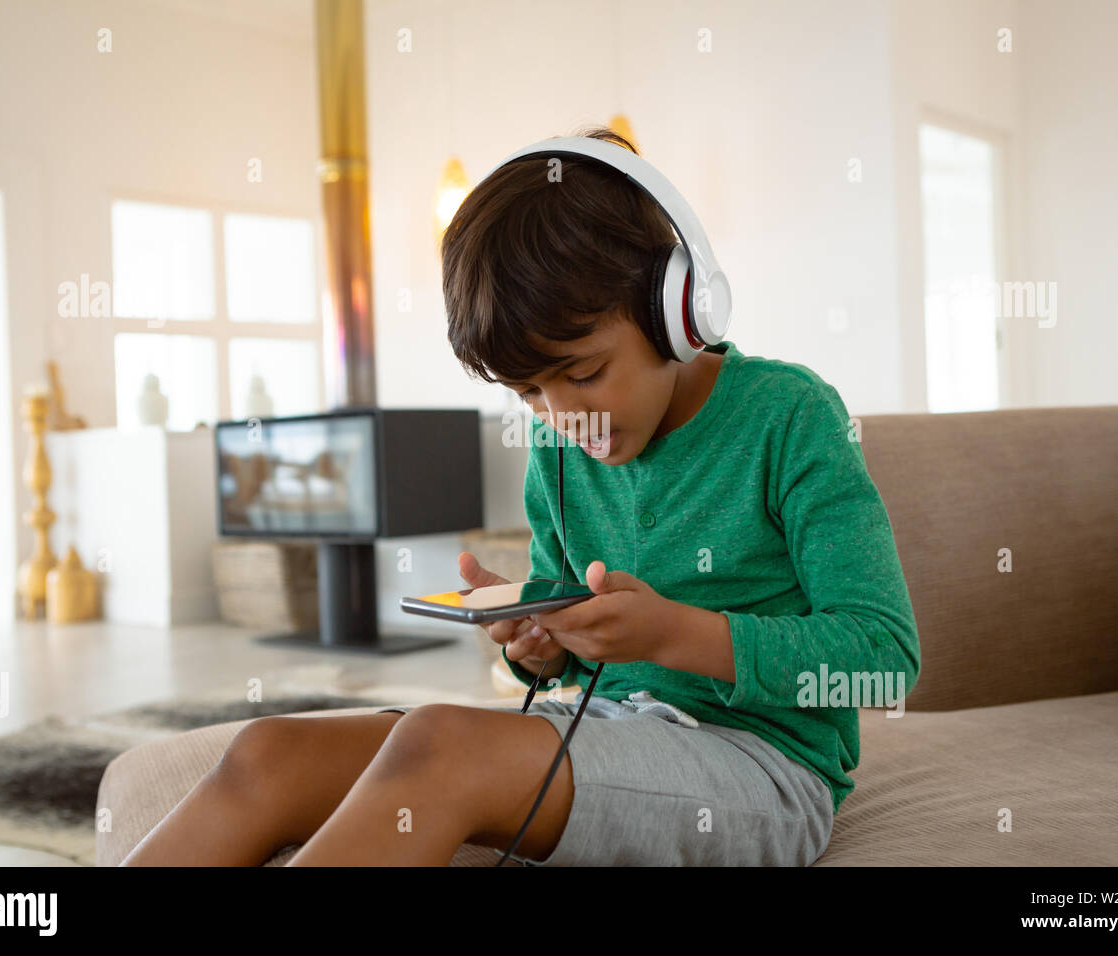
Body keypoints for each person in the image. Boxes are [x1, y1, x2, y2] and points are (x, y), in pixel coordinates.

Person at [119, 126, 919, 867]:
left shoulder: (789, 415)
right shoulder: (556, 445)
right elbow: (566, 653)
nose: (564, 419)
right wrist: (538, 642)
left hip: (762, 768)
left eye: (581, 375)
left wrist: (674, 633)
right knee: (271, 752)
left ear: (678, 310)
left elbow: (885, 663)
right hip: (598, 728)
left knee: (442, 746)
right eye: (530, 393)